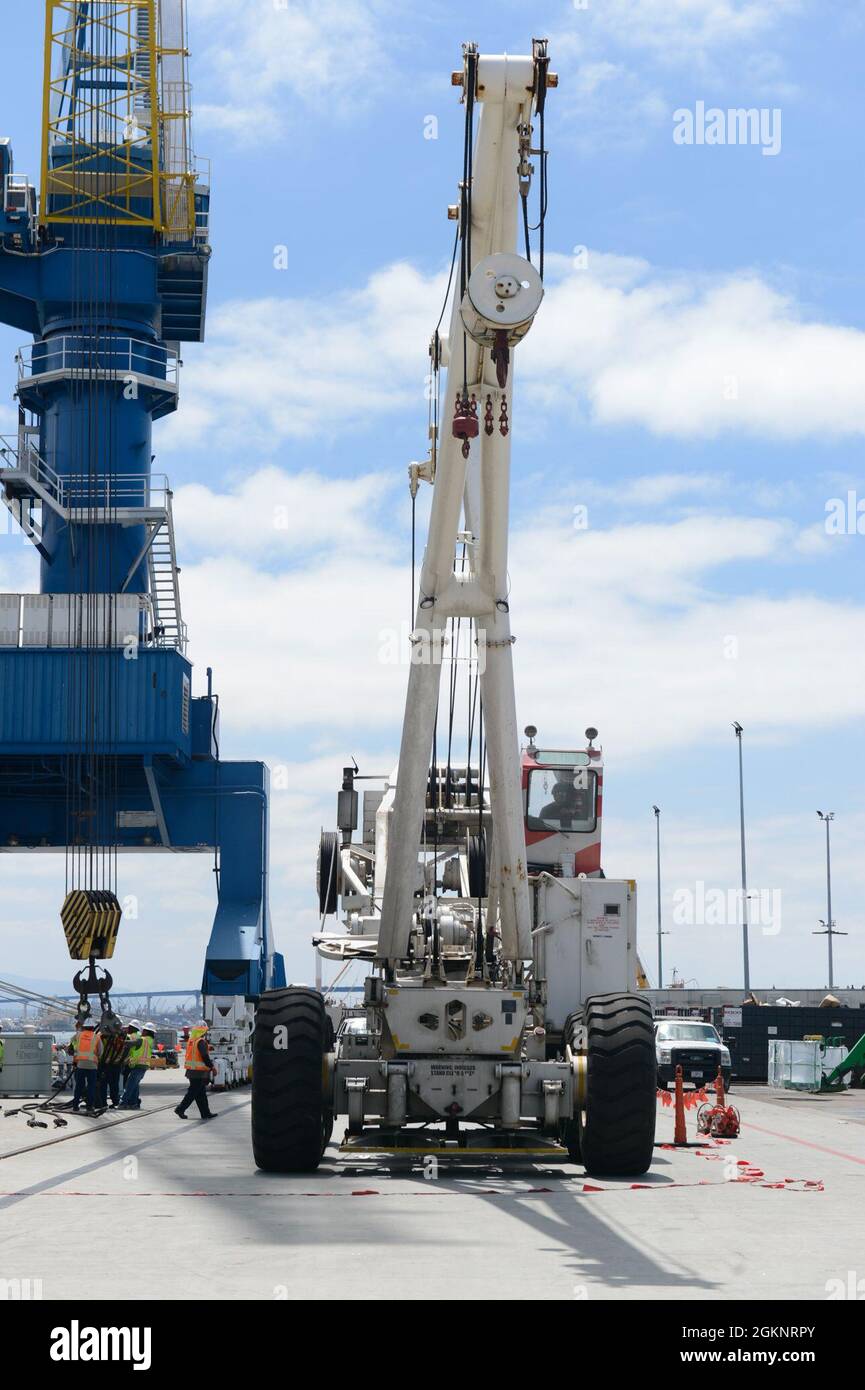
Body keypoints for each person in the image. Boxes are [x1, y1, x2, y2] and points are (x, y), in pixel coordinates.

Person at [175, 1022, 218, 1120]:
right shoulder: (201, 1041)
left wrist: (207, 1048)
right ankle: (180, 1109)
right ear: (202, 1031)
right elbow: (204, 1056)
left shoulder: (192, 1040)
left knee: (201, 1094)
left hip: (191, 1071)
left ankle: (205, 1113)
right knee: (192, 1093)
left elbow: (197, 1053)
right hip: (198, 1072)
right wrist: (212, 1067)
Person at [118, 1022, 155, 1109]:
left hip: (138, 1065)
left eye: (143, 1030)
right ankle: (133, 1103)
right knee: (135, 1085)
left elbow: (129, 1043)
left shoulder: (142, 1040)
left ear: (146, 1031)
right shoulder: (150, 1040)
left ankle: (123, 1103)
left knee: (129, 1085)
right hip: (144, 1066)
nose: (142, 1031)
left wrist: (120, 1040)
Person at [71, 1021, 102, 1112]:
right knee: (91, 1087)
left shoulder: (78, 1035)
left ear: (84, 1028)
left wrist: (76, 1052)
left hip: (80, 1064)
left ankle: (75, 1106)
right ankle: (89, 1106)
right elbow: (100, 1051)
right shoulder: (96, 1037)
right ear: (92, 1028)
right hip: (92, 1065)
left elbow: (72, 1043)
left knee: (79, 1086)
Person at [97, 1019, 126, 1109]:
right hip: (115, 1064)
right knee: (113, 1084)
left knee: (103, 1084)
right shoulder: (120, 1036)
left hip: (104, 1064)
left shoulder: (101, 1036)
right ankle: (115, 1102)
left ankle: (103, 1102)